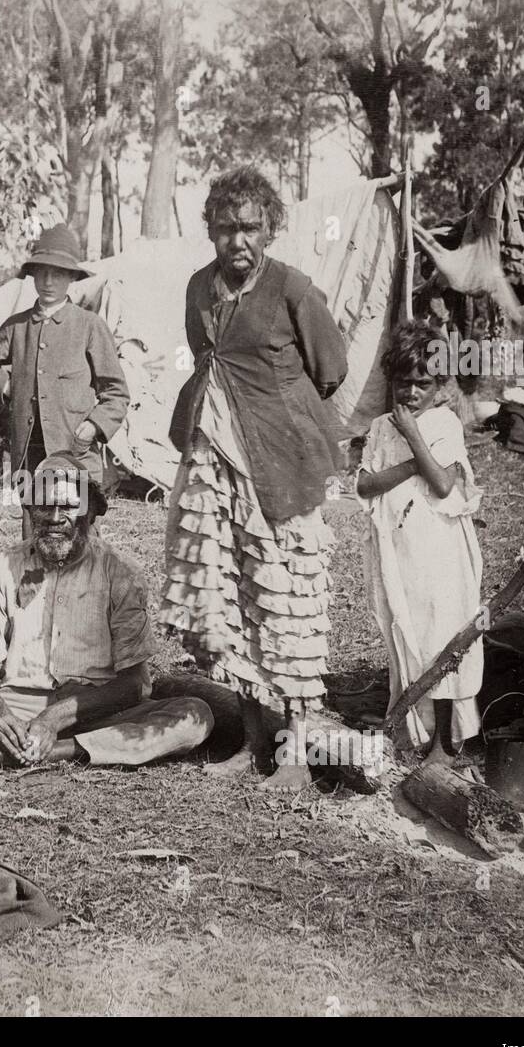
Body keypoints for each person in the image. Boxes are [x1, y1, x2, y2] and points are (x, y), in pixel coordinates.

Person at [161, 166, 348, 789]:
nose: (237, 241)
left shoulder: (294, 289)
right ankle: (251, 737)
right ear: (210, 232)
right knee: (229, 595)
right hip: (215, 463)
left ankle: (295, 750)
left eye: (249, 228)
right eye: (224, 229)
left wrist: (279, 409)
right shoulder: (196, 289)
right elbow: (203, 353)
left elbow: (331, 366)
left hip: (282, 463)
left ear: (270, 228)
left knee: (286, 597)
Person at [0, 452, 213, 767]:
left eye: (69, 506)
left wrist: (53, 718)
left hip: (97, 710)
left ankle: (52, 750)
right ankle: (22, 742)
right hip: (18, 708)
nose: (55, 517)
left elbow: (133, 683)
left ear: (90, 513)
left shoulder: (120, 574)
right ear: (30, 511)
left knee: (194, 716)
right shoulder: (6, 566)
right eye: (44, 504)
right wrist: (2, 717)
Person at [357, 321, 483, 763]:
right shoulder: (378, 427)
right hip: (398, 549)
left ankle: (445, 742)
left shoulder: (443, 422)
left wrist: (413, 437)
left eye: (422, 384)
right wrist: (409, 466)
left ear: (438, 385)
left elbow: (445, 485)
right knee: (405, 630)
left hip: (438, 550)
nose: (411, 393)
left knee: (442, 634)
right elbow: (366, 485)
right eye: (403, 384)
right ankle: (413, 724)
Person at [0, 223, 128, 534]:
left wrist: (93, 426)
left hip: (74, 448)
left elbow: (116, 392)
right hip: (30, 452)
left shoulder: (89, 326)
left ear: (72, 277)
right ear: (32, 276)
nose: (48, 281)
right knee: (35, 533)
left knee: (78, 533)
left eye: (57, 273)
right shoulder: (17, 327)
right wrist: (6, 385)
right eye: (41, 272)